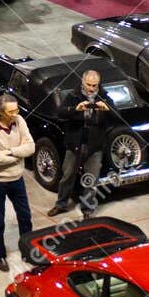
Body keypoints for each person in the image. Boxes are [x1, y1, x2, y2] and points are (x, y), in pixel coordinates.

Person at [0, 93, 35, 273]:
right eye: (11, 112)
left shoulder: (20, 120)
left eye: (17, 110)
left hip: (17, 179)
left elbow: (31, 147)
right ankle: (0, 255)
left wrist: (9, 152)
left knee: (25, 216)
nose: (15, 114)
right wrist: (18, 154)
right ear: (0, 112)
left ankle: (27, 251)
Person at [51, 70, 110, 217]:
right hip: (75, 144)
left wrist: (107, 110)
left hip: (94, 146)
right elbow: (60, 112)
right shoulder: (73, 96)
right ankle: (61, 204)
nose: (91, 88)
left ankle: (87, 210)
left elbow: (118, 117)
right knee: (67, 176)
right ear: (82, 82)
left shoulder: (104, 96)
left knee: (91, 179)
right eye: (88, 84)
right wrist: (75, 109)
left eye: (94, 85)